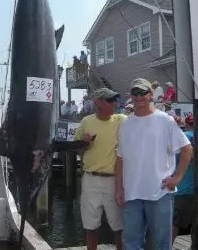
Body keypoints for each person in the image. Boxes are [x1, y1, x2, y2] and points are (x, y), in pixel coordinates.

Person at [115, 78, 192, 250]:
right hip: (131, 194)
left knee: (160, 244)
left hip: (160, 193)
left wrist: (177, 177)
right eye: (135, 93)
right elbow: (120, 158)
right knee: (130, 243)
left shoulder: (165, 120)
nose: (138, 96)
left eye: (143, 92)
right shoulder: (125, 124)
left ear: (151, 95)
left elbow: (187, 149)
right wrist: (119, 188)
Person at [74, 87, 126, 250]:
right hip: (90, 179)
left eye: (114, 100)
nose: (115, 103)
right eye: (110, 100)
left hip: (114, 180)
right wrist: (84, 143)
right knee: (90, 226)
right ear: (98, 102)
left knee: (119, 227)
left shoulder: (122, 120)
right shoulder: (86, 122)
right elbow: (76, 149)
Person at [172, 113, 194, 244]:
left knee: (174, 224)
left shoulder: (181, 137)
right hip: (186, 190)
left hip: (180, 189)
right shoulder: (187, 137)